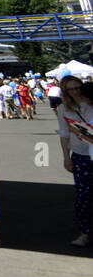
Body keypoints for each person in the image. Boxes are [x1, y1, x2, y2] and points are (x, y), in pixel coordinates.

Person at [56, 76, 93, 247]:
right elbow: (64, 134)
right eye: (71, 89)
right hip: (81, 155)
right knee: (83, 196)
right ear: (65, 92)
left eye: (78, 88)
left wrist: (76, 129)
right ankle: (85, 231)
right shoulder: (64, 108)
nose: (76, 92)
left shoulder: (91, 102)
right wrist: (66, 157)